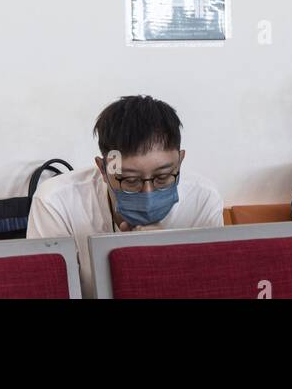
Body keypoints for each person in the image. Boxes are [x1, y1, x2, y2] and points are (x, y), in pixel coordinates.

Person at [27, 95, 223, 298]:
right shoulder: (56, 202)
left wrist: (165, 256)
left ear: (180, 161)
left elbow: (210, 288)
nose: (148, 193)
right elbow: (48, 290)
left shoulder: (202, 199)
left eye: (163, 177)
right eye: (130, 180)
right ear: (103, 169)